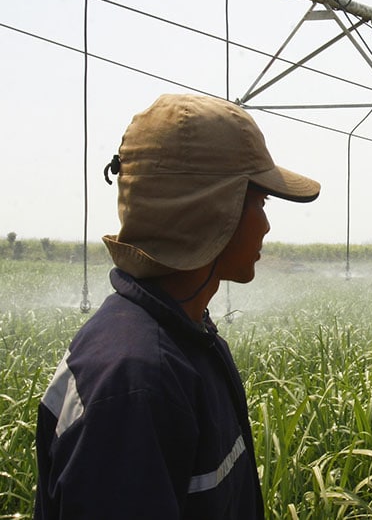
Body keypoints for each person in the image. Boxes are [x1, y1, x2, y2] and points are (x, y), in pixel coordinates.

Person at [35, 93, 320, 519]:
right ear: (209, 210)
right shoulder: (135, 382)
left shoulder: (185, 336)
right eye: (258, 201)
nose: (266, 224)